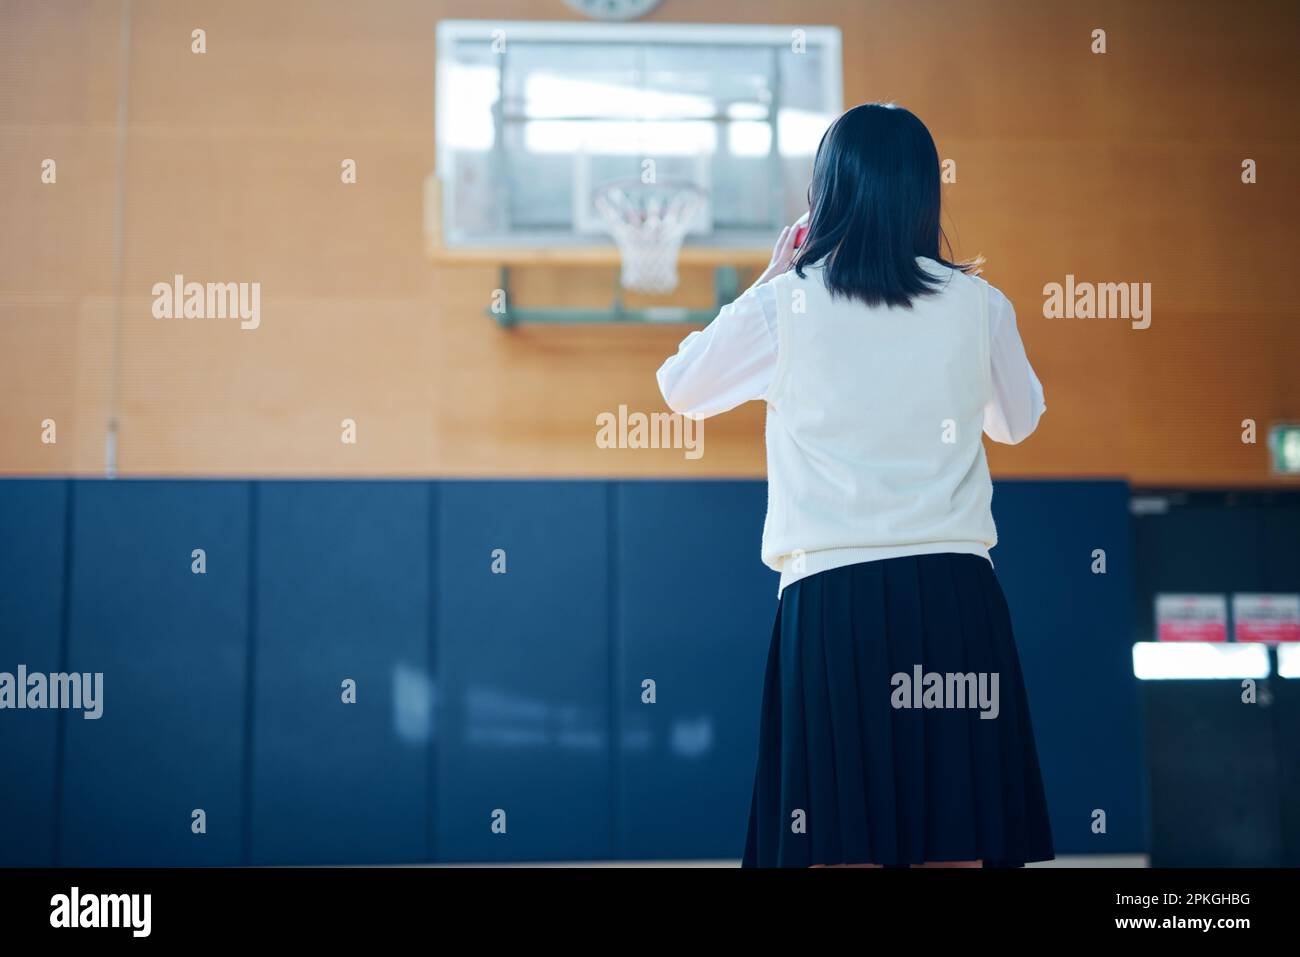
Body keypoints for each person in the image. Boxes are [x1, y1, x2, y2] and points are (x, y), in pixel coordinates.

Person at [656, 103, 1055, 868]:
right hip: (955, 599)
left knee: (836, 841)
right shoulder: (981, 305)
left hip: (833, 602)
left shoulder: (787, 305)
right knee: (958, 834)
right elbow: (1019, 421)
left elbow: (681, 387)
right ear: (923, 197)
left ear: (823, 194)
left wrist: (770, 278)